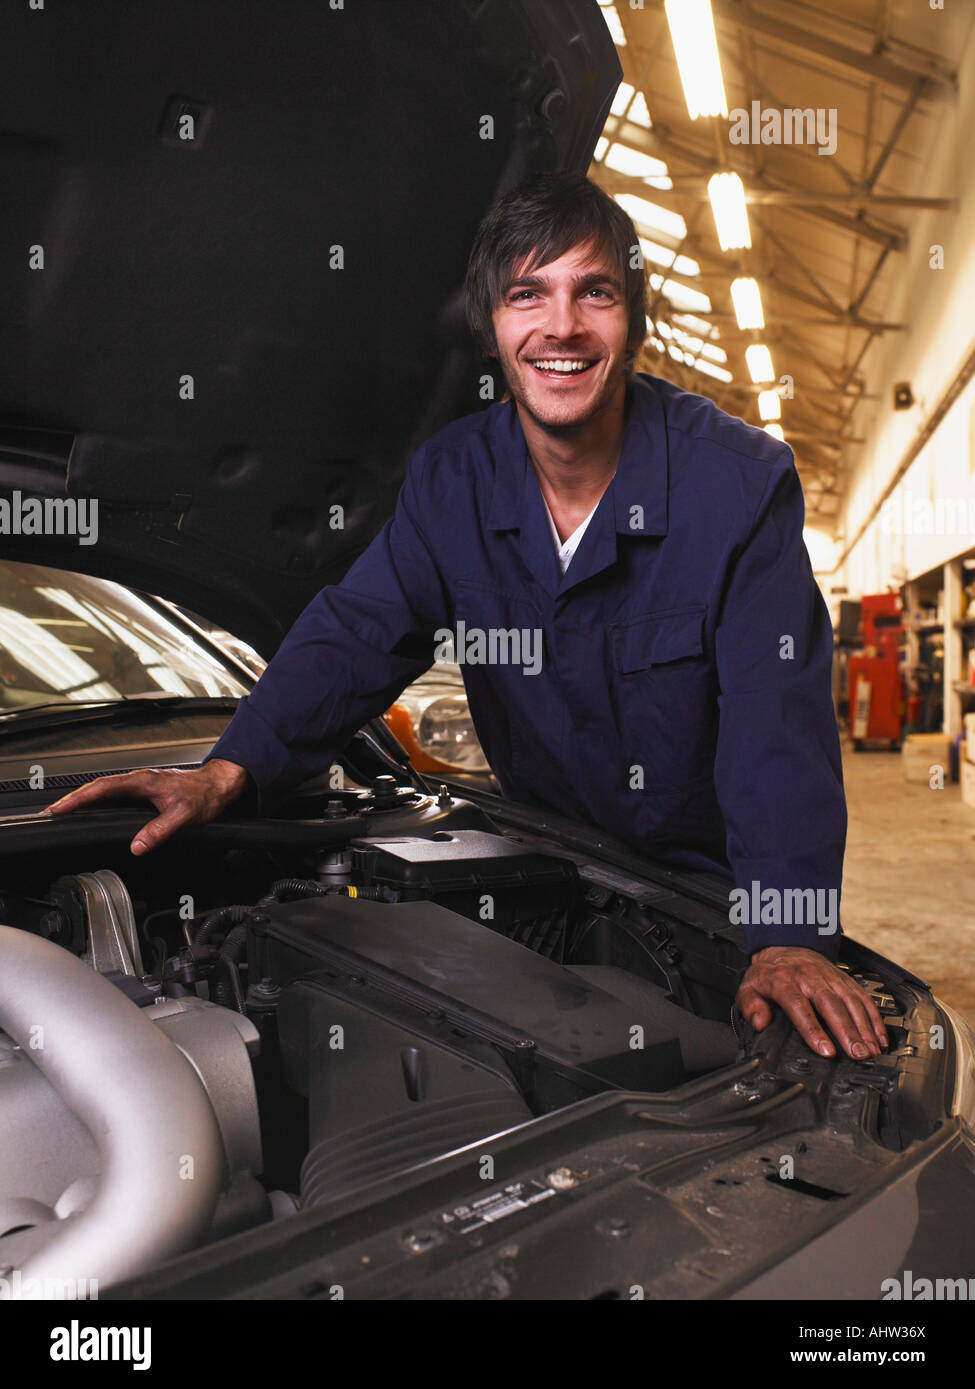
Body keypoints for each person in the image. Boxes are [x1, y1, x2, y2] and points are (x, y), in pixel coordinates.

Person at [48, 172, 886, 1063]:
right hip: (547, 859)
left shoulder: (736, 485)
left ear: (631, 321)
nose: (560, 326)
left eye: (593, 292)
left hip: (709, 891)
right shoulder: (453, 480)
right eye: (528, 293)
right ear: (492, 325)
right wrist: (229, 770)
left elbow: (776, 730)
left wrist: (787, 934)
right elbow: (357, 631)